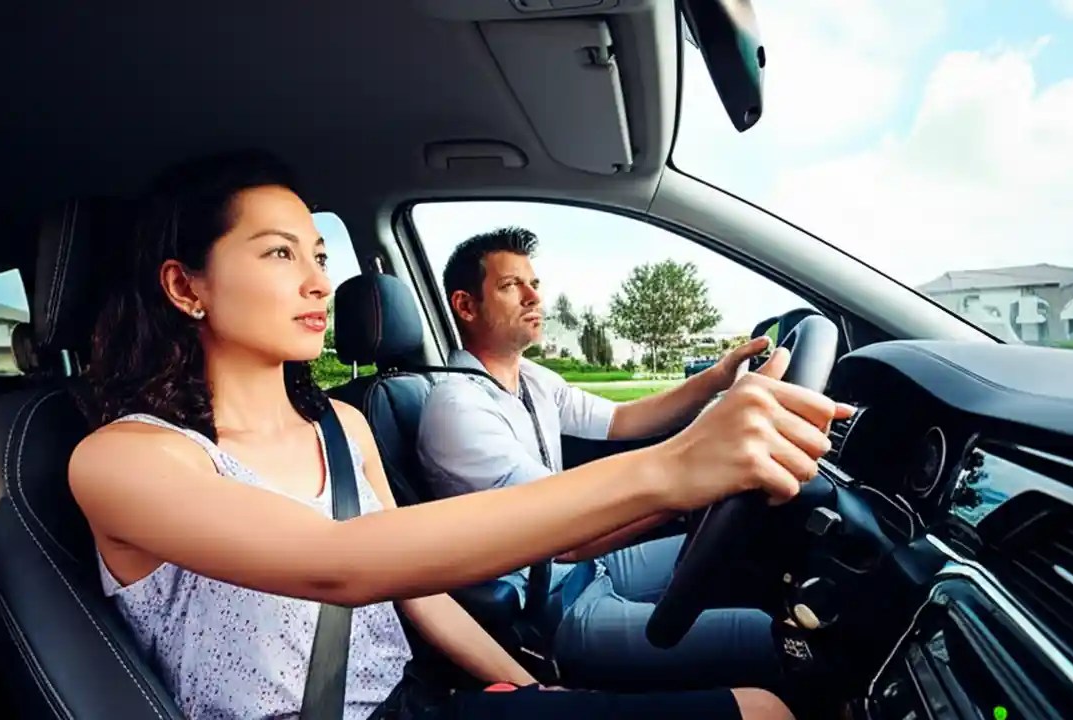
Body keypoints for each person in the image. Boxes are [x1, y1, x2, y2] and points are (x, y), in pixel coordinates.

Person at [69, 150, 850, 720]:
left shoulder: (339, 427)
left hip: (422, 703)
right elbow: (340, 567)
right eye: (279, 253)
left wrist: (527, 683)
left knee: (760, 708)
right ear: (184, 286)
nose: (318, 281)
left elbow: (411, 584)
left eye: (319, 254)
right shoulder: (124, 459)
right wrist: (671, 470)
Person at [415, 227, 806, 693]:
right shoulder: (457, 406)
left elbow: (625, 418)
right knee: (771, 641)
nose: (531, 296)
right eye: (509, 286)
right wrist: (697, 482)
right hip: (552, 605)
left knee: (758, 547)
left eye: (533, 283)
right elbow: (562, 537)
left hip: (592, 565)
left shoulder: (533, 380)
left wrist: (718, 380)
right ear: (465, 306)